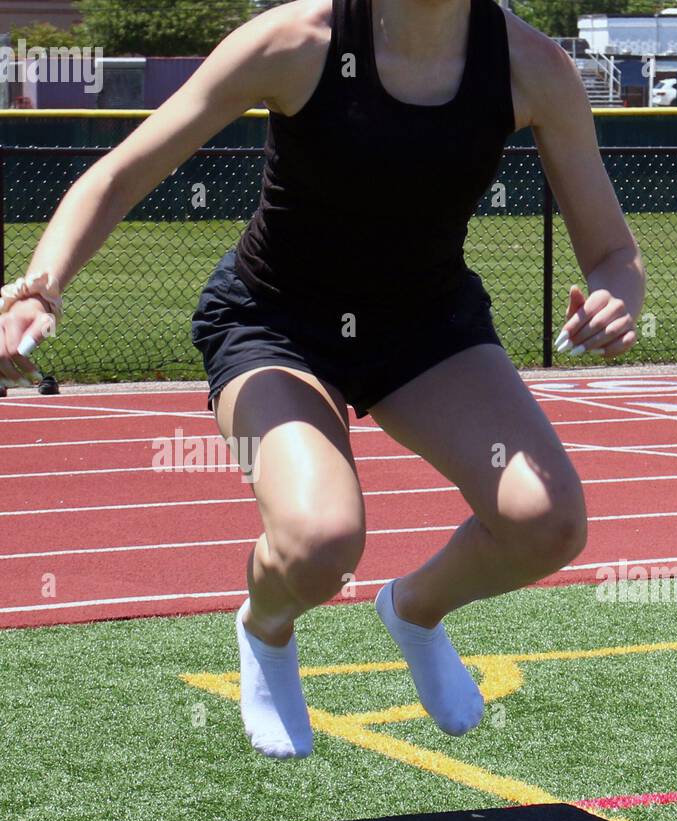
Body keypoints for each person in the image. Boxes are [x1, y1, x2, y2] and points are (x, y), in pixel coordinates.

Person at [0, 0, 644, 758]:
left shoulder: (533, 67)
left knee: (549, 523)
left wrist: (617, 297)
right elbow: (119, 172)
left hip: (426, 329)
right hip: (274, 323)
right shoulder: (296, 39)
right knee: (318, 541)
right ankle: (265, 625)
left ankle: (413, 610)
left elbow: (612, 252)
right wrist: (38, 290)